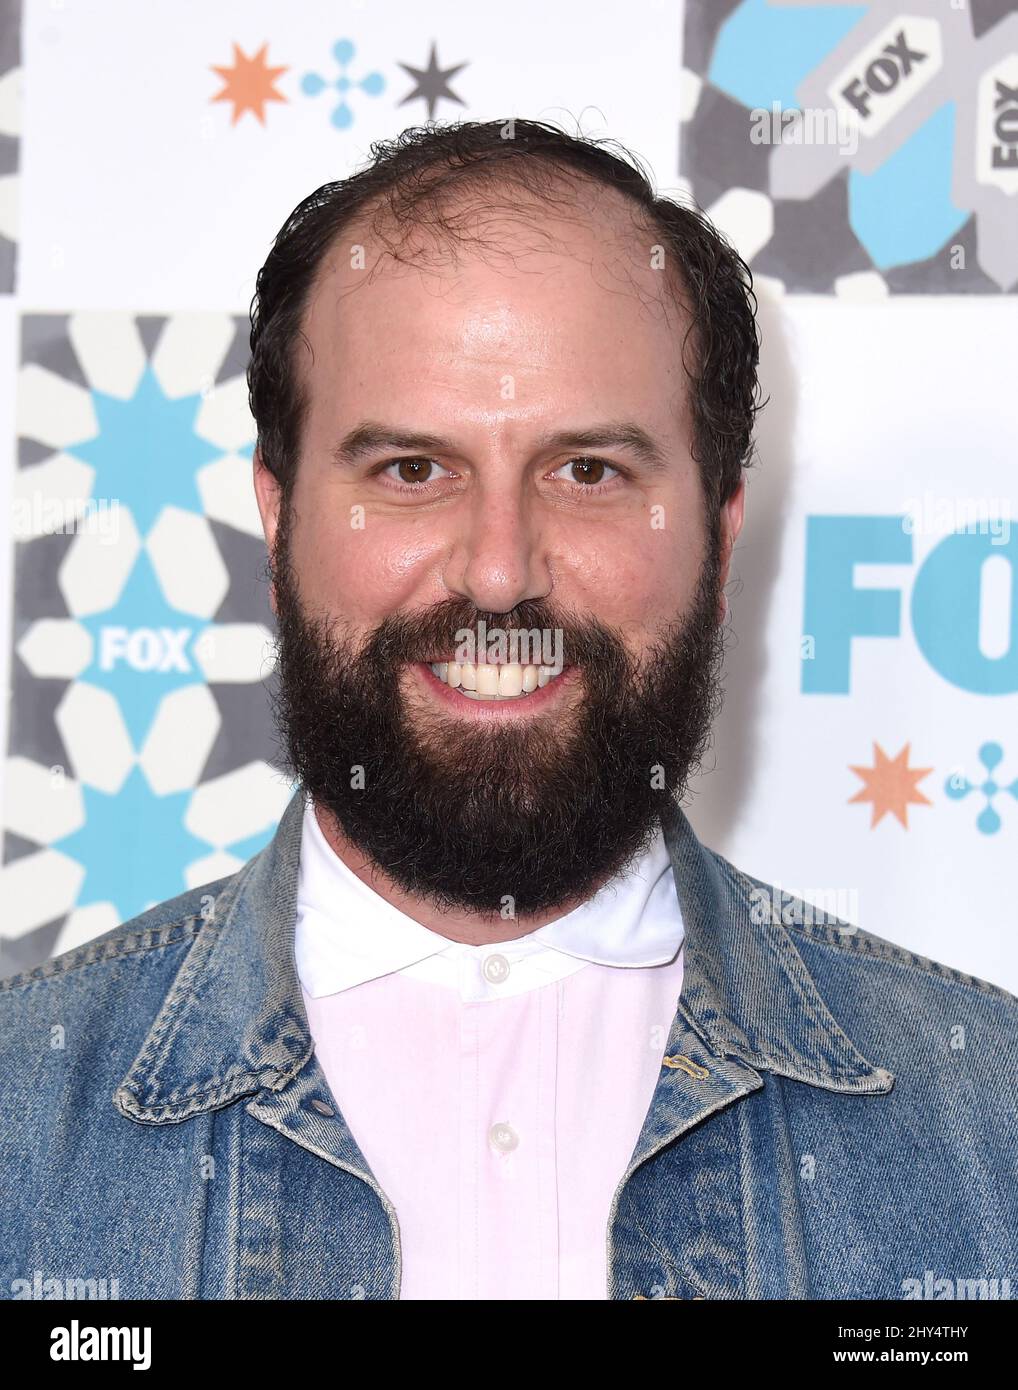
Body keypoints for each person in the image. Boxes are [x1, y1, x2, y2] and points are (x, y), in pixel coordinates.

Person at [1, 120, 1015, 1302]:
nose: (497, 572)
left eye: (586, 471)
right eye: (410, 470)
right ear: (277, 524)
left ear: (717, 535)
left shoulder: (986, 1131)